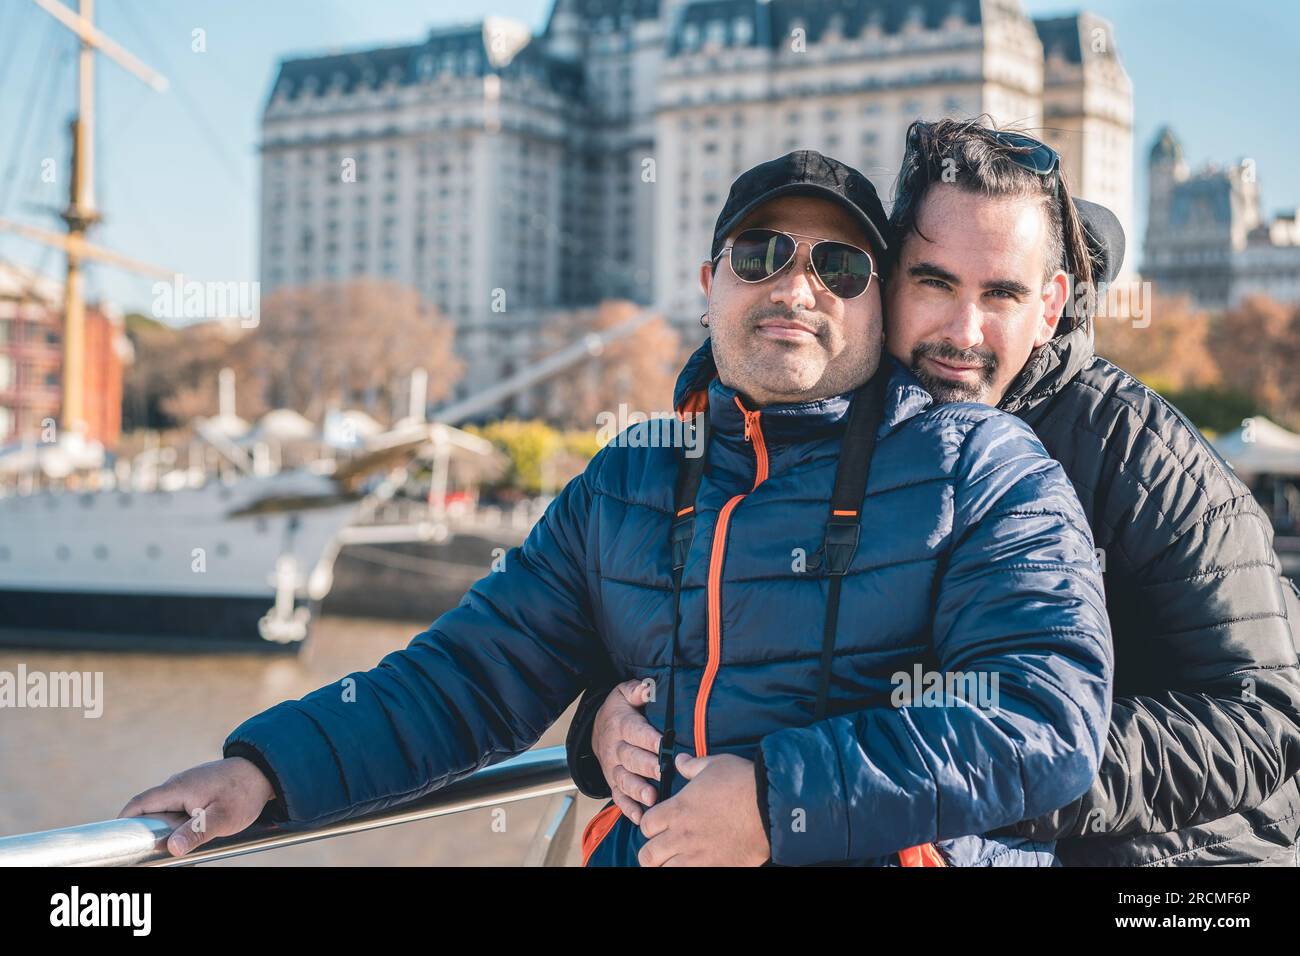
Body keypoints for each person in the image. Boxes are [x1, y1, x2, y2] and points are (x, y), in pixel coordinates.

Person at [121, 150, 1112, 867]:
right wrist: (263, 770)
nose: (796, 286)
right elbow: (466, 674)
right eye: (761, 252)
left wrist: (778, 802)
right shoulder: (630, 476)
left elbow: (1045, 711)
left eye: (839, 266)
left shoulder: (984, 467)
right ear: (708, 283)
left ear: (875, 304)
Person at [573, 121, 1300, 867]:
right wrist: (604, 724)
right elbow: (733, 618)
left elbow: (1264, 719)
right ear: (883, 279)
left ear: (1050, 306)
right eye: (935, 283)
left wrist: (972, 778)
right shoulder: (834, 417)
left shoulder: (1143, 454)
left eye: (1002, 294)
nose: (964, 332)